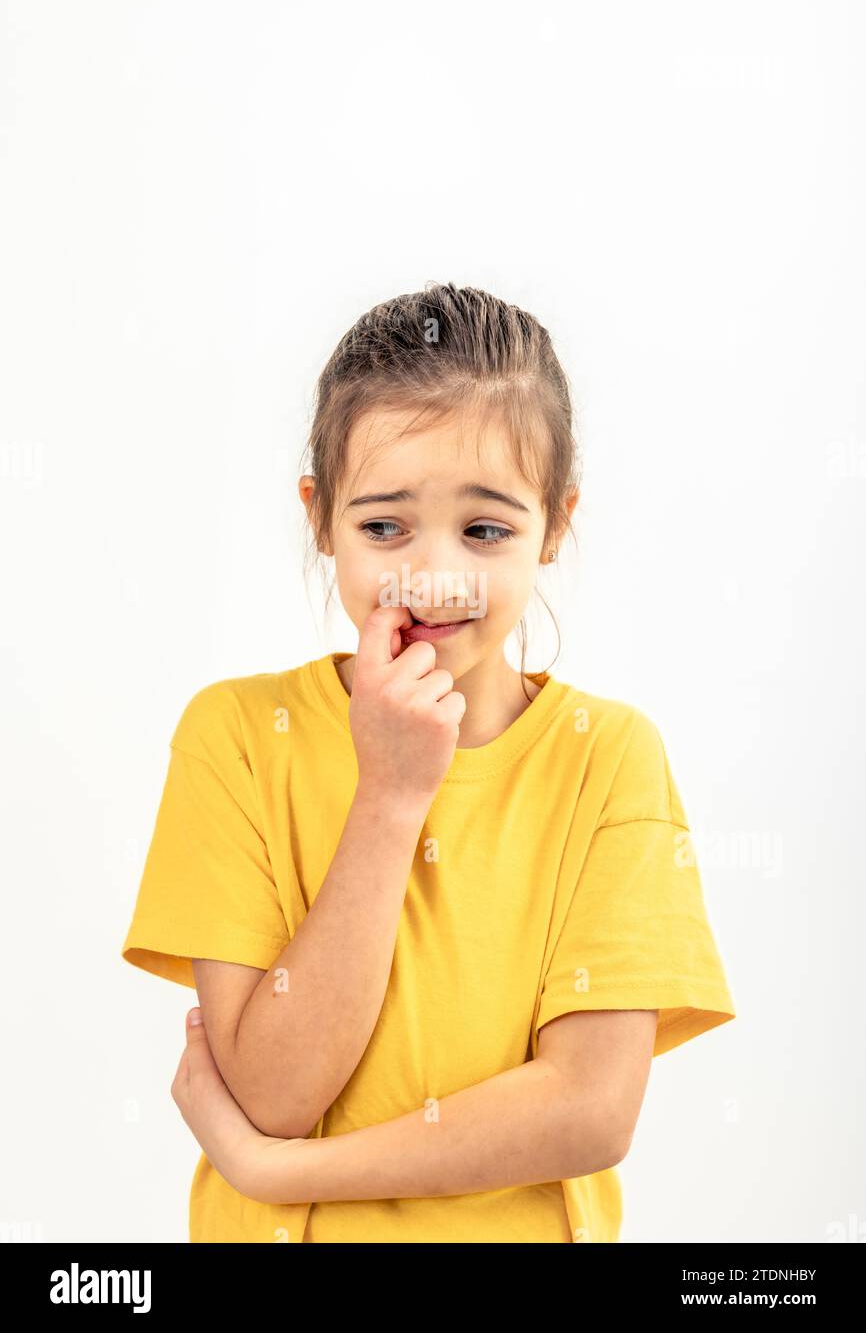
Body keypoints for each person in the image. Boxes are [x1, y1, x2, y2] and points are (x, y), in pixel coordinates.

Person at [121, 281, 737, 1243]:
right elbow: (276, 1088)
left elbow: (590, 1111)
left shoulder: (610, 759)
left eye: (485, 529)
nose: (432, 573)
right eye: (383, 527)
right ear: (321, 518)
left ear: (556, 526)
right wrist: (391, 793)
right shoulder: (235, 736)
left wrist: (276, 1171)